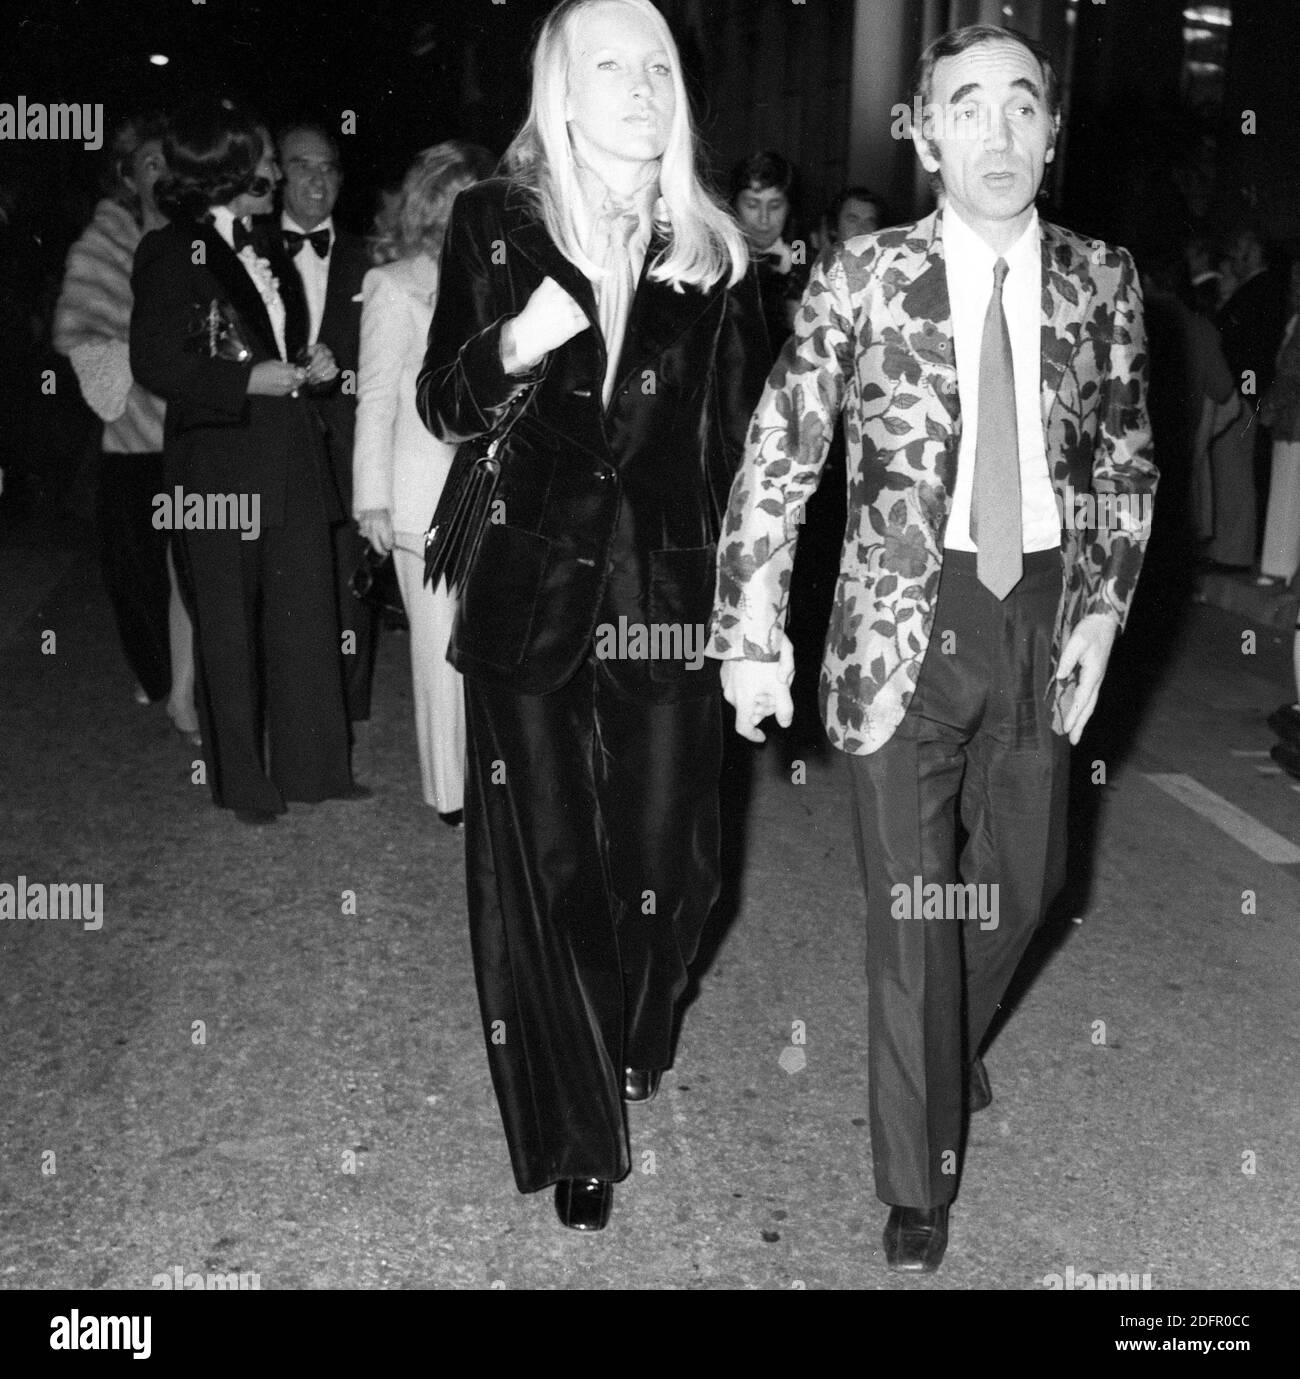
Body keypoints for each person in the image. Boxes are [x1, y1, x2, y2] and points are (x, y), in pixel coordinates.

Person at [710, 24, 1157, 1272]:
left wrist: (1108, 607)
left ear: (1052, 133)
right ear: (921, 131)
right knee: (910, 914)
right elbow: (779, 453)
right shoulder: (860, 275)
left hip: (1042, 617)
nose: (999, 132)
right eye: (968, 105)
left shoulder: (1101, 279)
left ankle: (942, 1043)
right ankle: (916, 1175)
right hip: (900, 630)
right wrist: (750, 630)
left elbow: (1125, 459)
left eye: (1023, 106)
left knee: (1028, 881)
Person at [416, 0, 768, 1231]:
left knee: (674, 860)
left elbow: (742, 460)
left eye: (655, 65)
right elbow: (441, 402)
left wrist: (753, 619)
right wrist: (516, 337)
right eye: (605, 64)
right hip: (530, 593)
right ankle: (577, 1125)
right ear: (557, 94)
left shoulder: (720, 259)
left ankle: (637, 1021)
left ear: (680, 95)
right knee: (549, 859)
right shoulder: (492, 224)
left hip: (667, 600)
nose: (634, 83)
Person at [130, 96, 366, 825]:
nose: (271, 166)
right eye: (261, 154)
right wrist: (245, 380)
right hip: (219, 466)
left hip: (290, 453)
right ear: (226, 166)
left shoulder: (263, 245)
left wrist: (311, 363)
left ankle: (315, 768)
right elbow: (154, 361)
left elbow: (276, 343)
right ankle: (243, 783)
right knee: (228, 625)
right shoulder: (170, 250)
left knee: (304, 614)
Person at [353, 141, 495, 825]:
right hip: (422, 499)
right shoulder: (393, 285)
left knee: (493, 647)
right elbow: (375, 397)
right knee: (439, 655)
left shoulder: (507, 280)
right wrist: (370, 498)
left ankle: (496, 783)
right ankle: (451, 793)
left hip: (498, 495)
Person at [52, 111, 199, 743]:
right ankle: (163, 680)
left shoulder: (203, 235)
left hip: (200, 432)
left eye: (170, 160)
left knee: (194, 570)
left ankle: (189, 690)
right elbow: (80, 329)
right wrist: (132, 385)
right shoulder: (105, 240)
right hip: (134, 438)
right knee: (136, 572)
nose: (162, 173)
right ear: (128, 176)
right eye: (149, 163)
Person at [276, 121, 379, 749]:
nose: (318, 179)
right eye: (302, 166)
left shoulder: (370, 257)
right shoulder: (250, 249)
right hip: (275, 437)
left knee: (350, 579)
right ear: (279, 174)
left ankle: (347, 707)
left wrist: (345, 366)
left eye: (328, 167)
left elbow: (396, 358)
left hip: (344, 438)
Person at [730, 150, 806, 361]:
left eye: (775, 206)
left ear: (789, 207)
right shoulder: (715, 268)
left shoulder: (808, 264)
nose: (764, 219)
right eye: (752, 205)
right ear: (734, 205)